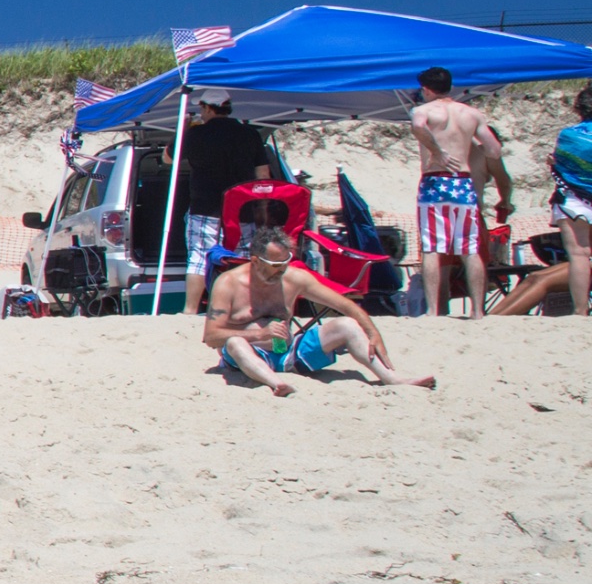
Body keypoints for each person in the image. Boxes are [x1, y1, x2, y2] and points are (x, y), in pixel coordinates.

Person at [201, 225, 434, 395]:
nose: (281, 270)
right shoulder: (229, 284)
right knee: (235, 342)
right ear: (255, 261)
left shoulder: (294, 278)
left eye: (286, 262)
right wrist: (259, 334)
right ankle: (276, 384)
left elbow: (345, 305)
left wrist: (373, 333)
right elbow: (211, 336)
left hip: (290, 353)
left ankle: (391, 378)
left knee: (347, 325)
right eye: (275, 265)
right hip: (249, 357)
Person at [411, 67, 505, 317]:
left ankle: (433, 311)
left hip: (434, 181)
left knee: (432, 247)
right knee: (469, 248)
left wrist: (438, 151)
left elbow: (418, 127)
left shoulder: (423, 110)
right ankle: (478, 311)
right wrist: (468, 144)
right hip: (462, 182)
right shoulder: (471, 114)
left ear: (426, 89)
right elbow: (494, 150)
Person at [176, 93, 279, 315]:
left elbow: (169, 158)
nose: (201, 113)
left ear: (209, 108)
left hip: (205, 207)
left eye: (201, 109)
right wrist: (261, 208)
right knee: (241, 257)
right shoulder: (250, 134)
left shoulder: (196, 134)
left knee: (199, 256)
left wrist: (183, 130)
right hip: (242, 209)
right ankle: (241, 307)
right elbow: (262, 174)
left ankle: (190, 309)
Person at [550, 83, 592, 318]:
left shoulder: (568, 135)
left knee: (578, 254)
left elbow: (562, 165)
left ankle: (580, 310)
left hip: (573, 200)